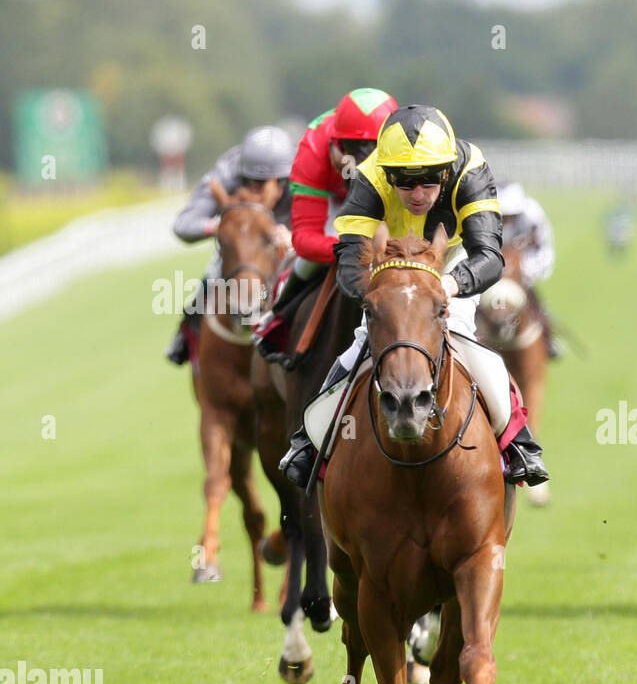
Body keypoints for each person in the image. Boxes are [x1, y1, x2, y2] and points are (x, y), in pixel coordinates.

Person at [278, 104, 548, 489]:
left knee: (463, 338)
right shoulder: (369, 177)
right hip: (389, 265)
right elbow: (351, 265)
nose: (418, 194)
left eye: (428, 181)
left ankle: (518, 444)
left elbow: (489, 256)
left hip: (452, 262)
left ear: (446, 169)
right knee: (360, 346)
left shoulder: (470, 168)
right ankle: (308, 443)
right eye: (404, 183)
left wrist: (449, 286)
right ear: (387, 174)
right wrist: (388, 293)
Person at [253, 88, 398, 366]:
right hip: (334, 201)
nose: (360, 166)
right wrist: (353, 248)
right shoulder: (314, 147)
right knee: (309, 261)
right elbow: (306, 240)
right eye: (353, 154)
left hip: (385, 203)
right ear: (335, 144)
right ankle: (277, 320)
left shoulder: (403, 151)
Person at [165, 126, 294, 365]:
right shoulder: (226, 171)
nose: (258, 189)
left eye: (266, 183)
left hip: (288, 245)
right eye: (251, 182)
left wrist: (296, 237)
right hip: (241, 249)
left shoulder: (302, 175)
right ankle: (185, 336)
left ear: (284, 179)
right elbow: (184, 224)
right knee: (212, 276)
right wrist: (224, 228)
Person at [496, 180, 563, 358]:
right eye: (501, 216)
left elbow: (544, 253)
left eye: (510, 215)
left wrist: (520, 272)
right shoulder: (482, 214)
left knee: (533, 299)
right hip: (492, 270)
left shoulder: (533, 216)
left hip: (523, 267)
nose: (505, 221)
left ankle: (548, 335)